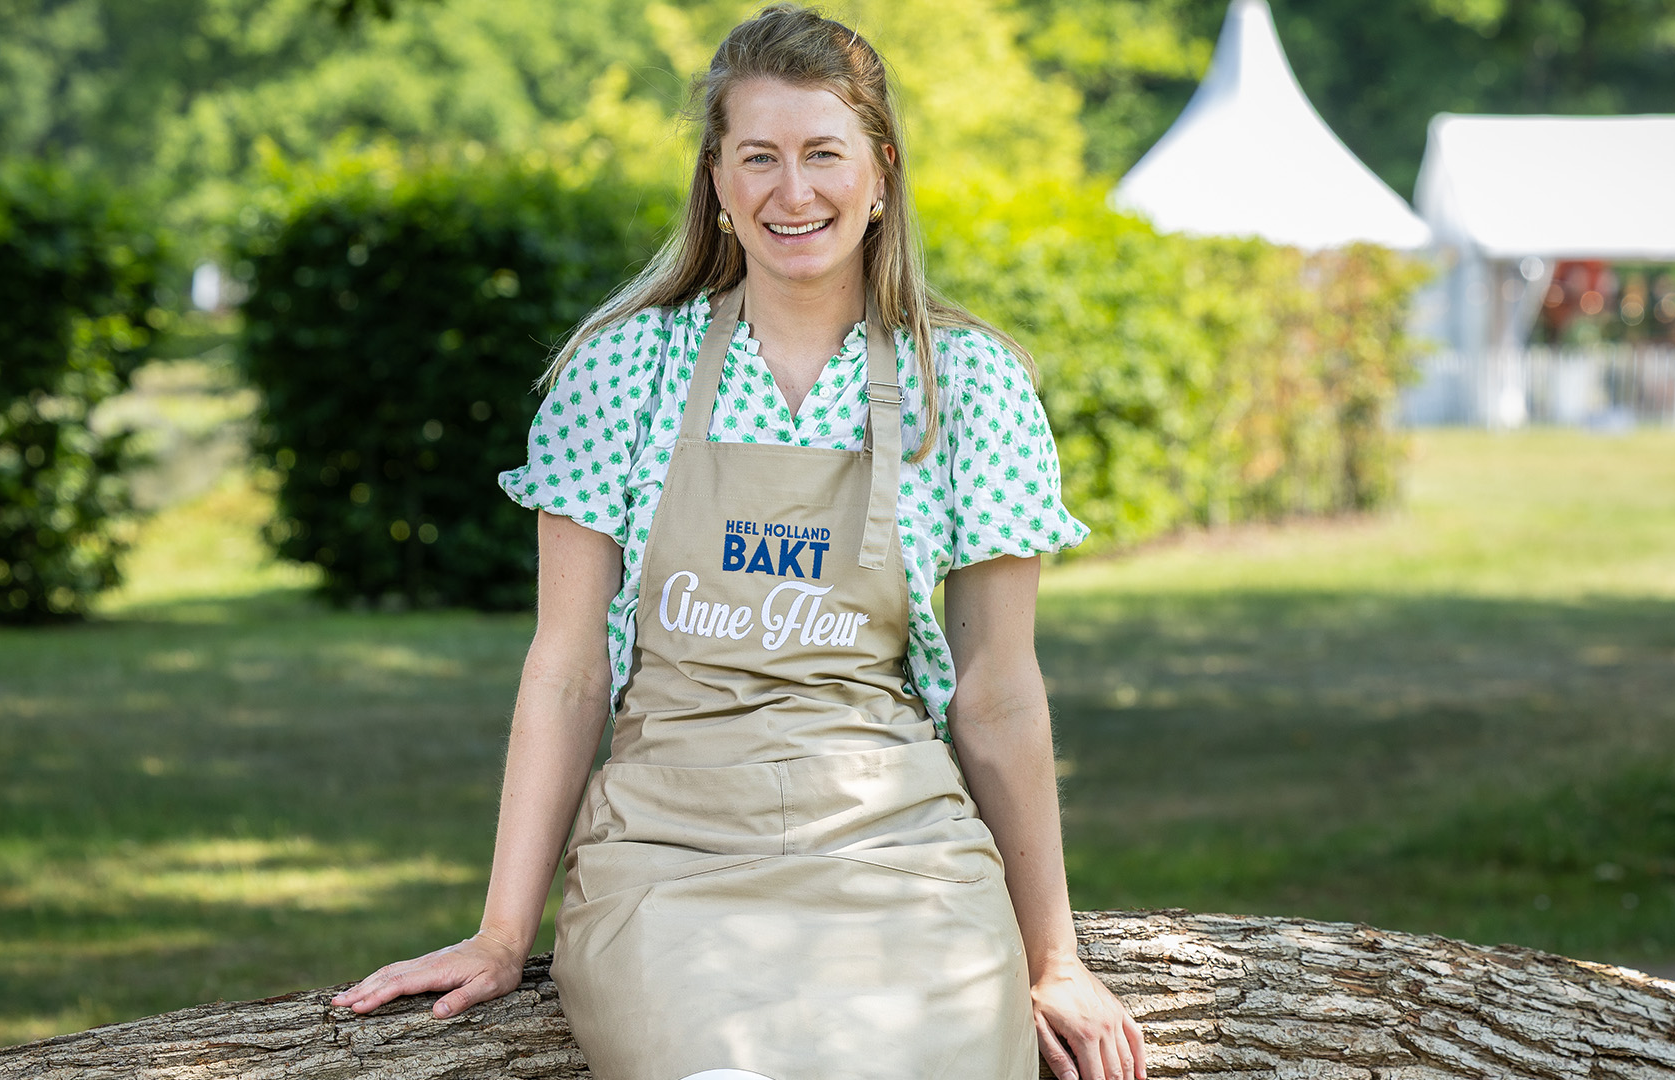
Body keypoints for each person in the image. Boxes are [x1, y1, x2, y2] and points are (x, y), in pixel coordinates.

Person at [329, 6, 1145, 1079]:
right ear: (715, 178)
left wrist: (1056, 957)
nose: (790, 191)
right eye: (757, 156)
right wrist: (498, 932)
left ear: (881, 172)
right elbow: (567, 674)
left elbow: (996, 691)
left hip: (902, 852)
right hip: (670, 860)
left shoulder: (974, 385)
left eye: (822, 154)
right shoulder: (619, 373)